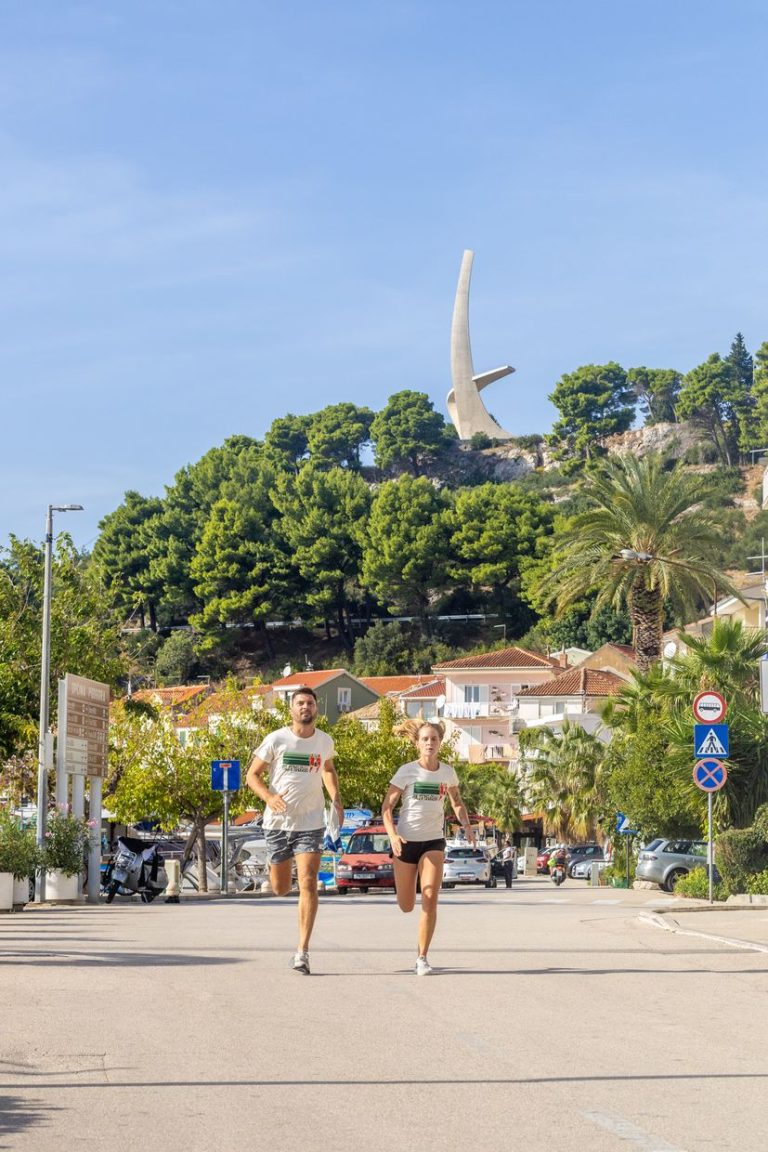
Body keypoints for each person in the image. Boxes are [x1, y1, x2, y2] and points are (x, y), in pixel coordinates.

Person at [246, 686, 343, 975]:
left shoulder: (324, 741)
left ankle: (302, 951)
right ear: (291, 709)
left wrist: (336, 798)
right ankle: (278, 873)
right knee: (280, 888)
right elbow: (252, 775)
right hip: (277, 823)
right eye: (300, 703)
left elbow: (328, 769)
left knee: (309, 881)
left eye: (310, 703)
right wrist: (269, 797)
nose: (305, 707)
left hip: (311, 822)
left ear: (316, 709)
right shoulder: (276, 739)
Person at [381, 719, 475, 976]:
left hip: (434, 841)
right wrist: (392, 836)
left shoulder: (448, 773)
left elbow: (457, 802)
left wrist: (467, 825)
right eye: (425, 739)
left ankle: (422, 957)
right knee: (406, 905)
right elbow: (387, 807)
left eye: (434, 739)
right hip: (405, 842)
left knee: (431, 895)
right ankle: (406, 885)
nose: (430, 743)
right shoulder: (406, 771)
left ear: (440, 743)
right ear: (417, 743)